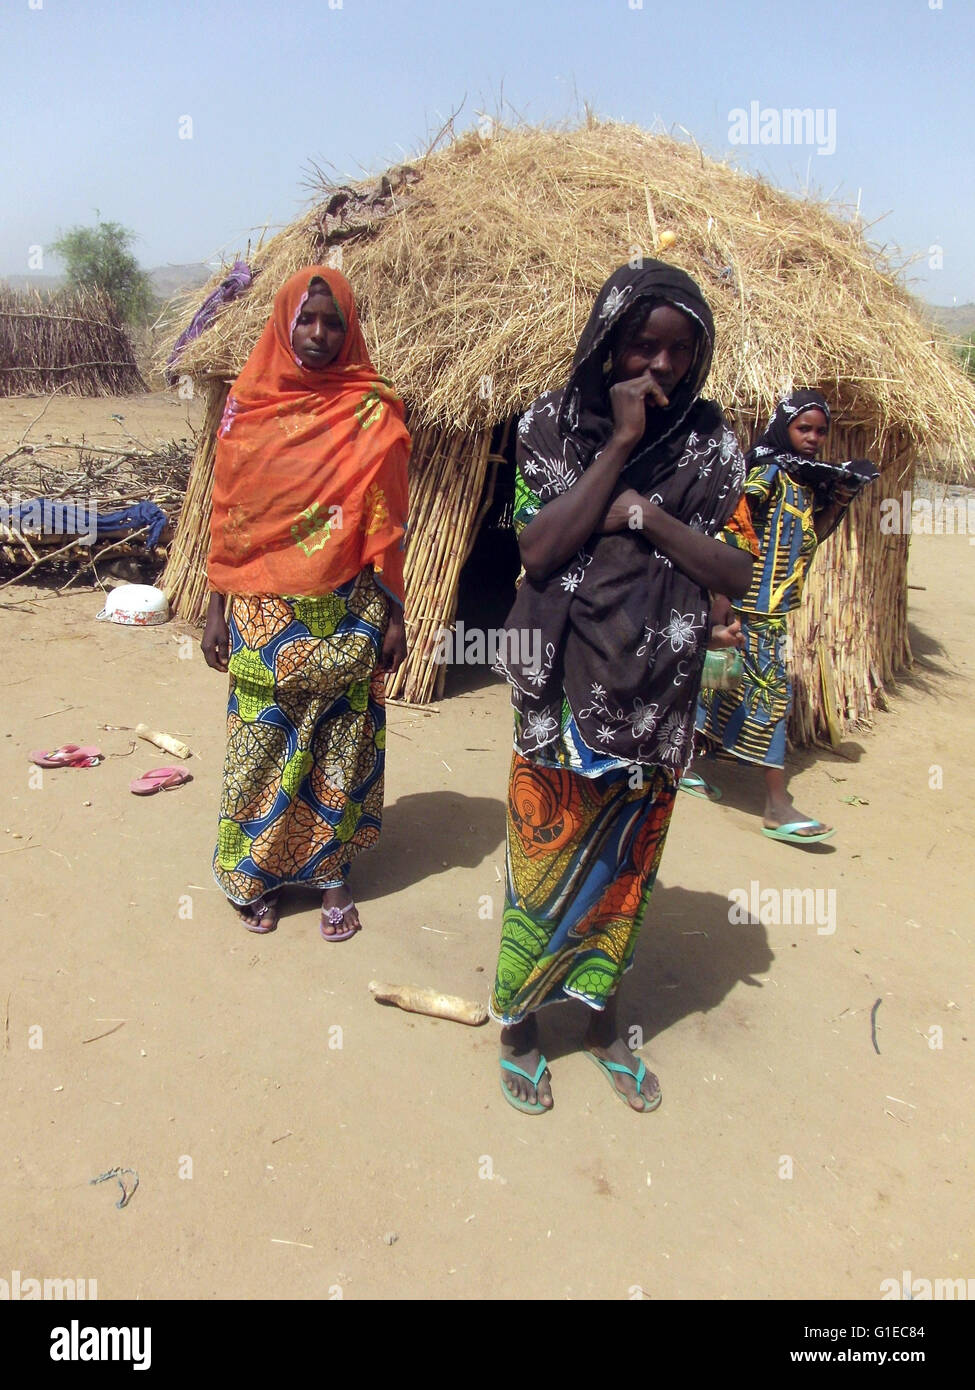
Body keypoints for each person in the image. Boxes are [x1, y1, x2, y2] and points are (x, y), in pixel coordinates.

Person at [491, 262, 758, 1114]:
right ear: (607, 338)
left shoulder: (713, 446)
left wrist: (644, 515)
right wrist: (614, 448)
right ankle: (521, 1024)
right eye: (642, 343)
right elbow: (538, 549)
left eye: (680, 349)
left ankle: (601, 1018)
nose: (661, 364)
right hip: (564, 688)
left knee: (624, 870)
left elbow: (733, 569)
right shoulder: (550, 425)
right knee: (545, 862)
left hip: (658, 694)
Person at [201, 266, 409, 939]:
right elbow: (229, 511)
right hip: (263, 610)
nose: (319, 334)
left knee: (341, 742)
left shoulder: (370, 406)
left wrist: (397, 612)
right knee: (262, 741)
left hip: (348, 606)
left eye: (333, 322)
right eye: (307, 319)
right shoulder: (250, 403)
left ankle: (329, 873)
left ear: (349, 331)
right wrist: (213, 608)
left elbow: (387, 517)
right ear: (285, 320)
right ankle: (254, 873)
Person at [693, 389, 878, 842]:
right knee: (772, 696)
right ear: (784, 427)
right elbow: (734, 528)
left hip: (775, 606)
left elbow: (813, 536)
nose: (813, 438)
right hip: (750, 605)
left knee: (721, 686)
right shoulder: (768, 473)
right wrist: (721, 603)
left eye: (820, 431)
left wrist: (840, 497)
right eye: (804, 428)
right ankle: (777, 806)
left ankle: (683, 765)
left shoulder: (802, 482)